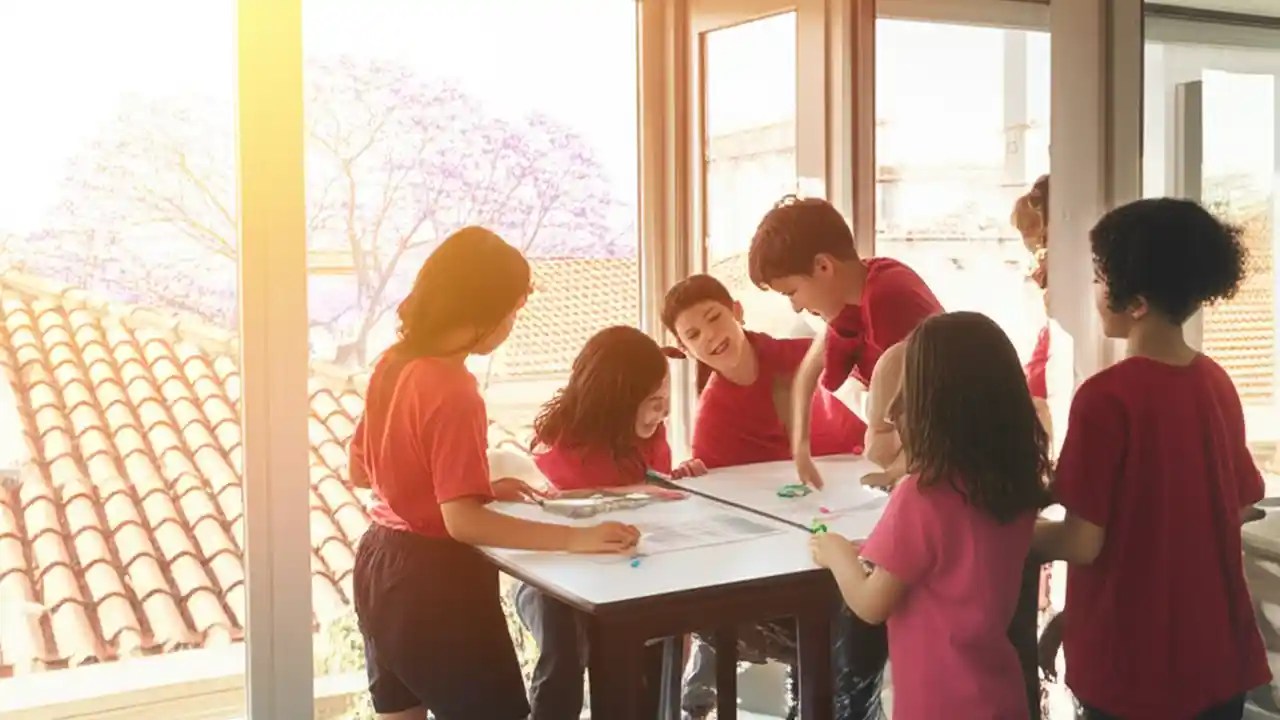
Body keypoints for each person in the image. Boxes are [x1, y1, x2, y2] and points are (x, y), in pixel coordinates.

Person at [348, 227, 640, 720]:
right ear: (478, 316)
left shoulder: (392, 365)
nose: (510, 326)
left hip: (378, 565)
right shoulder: (454, 388)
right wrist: (577, 538)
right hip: (435, 582)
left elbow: (361, 470)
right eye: (511, 313)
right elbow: (463, 522)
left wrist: (468, 482)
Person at [1031, 198, 1270, 720]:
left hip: (1132, 672)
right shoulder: (1216, 384)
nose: (1094, 294)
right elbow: (1230, 509)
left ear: (1135, 300)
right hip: (1216, 659)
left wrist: (1000, 531)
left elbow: (1082, 541)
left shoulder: (1105, 399)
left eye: (1098, 277)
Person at [811, 311, 1052, 720]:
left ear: (937, 403)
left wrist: (836, 554)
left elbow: (871, 604)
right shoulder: (1010, 485)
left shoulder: (922, 495)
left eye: (907, 395)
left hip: (939, 705)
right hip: (1001, 696)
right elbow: (954, 553)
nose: (893, 414)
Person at [661, 274, 869, 718]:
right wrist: (693, 475)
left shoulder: (798, 354)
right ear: (685, 348)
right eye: (693, 335)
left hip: (848, 504)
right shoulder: (714, 413)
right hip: (785, 546)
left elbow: (864, 383)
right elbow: (717, 504)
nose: (710, 337)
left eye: (714, 319)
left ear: (737, 311)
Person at [515, 325, 705, 720]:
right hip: (556, 581)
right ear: (617, 402)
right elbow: (559, 502)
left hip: (628, 572)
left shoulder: (649, 436)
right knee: (564, 663)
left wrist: (672, 479)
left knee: (644, 661)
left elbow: (653, 490)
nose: (664, 413)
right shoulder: (563, 443)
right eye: (654, 403)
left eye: (665, 401)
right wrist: (637, 491)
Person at [746, 195, 943, 491]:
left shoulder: (886, 298)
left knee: (877, 452)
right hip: (917, 435)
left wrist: (896, 476)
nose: (796, 308)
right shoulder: (849, 299)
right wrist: (801, 448)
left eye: (793, 292)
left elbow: (934, 409)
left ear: (824, 267)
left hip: (944, 438)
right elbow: (808, 373)